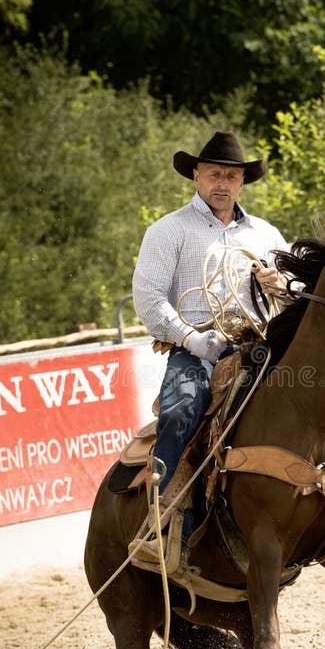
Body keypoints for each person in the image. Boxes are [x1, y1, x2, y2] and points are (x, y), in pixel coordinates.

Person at [131, 130, 289, 563]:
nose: (223, 183)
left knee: (312, 400)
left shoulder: (266, 234)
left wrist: (282, 285)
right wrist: (190, 338)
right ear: (196, 176)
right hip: (196, 344)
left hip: (258, 343)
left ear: (242, 182)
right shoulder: (170, 230)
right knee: (183, 405)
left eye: (232, 176)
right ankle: (161, 524)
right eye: (215, 174)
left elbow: (297, 293)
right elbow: (148, 296)